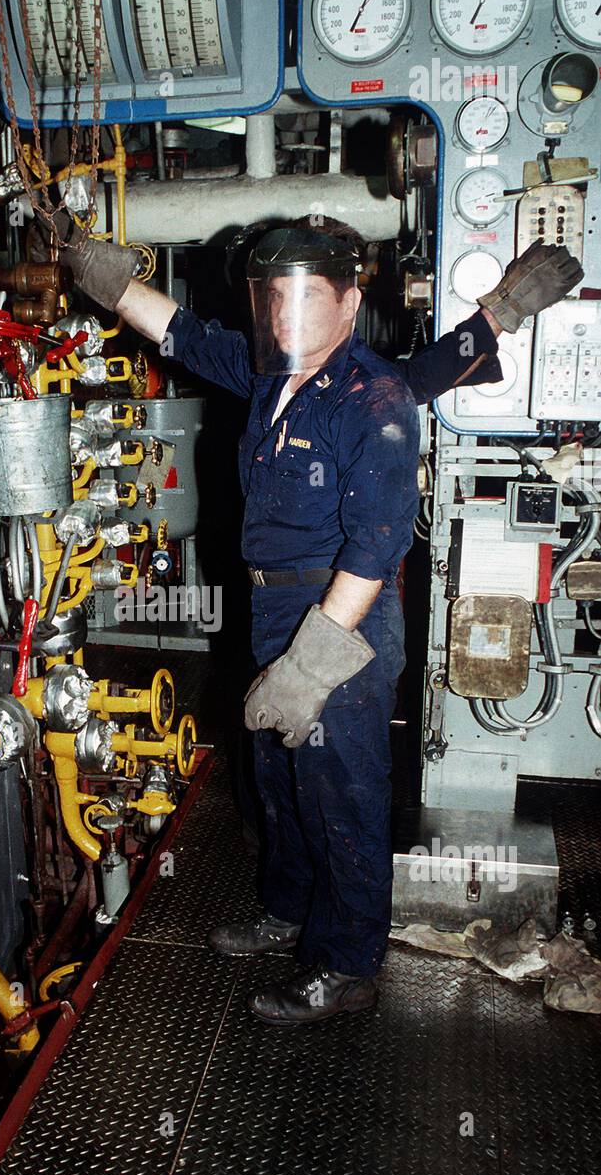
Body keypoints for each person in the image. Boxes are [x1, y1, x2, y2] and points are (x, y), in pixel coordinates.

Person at [36, 208, 582, 1024]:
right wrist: (91, 265)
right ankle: (286, 908)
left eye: (308, 299)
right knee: (276, 776)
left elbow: (374, 549)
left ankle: (346, 961)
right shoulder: (269, 375)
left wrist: (311, 663)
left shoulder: (374, 400)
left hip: (341, 617)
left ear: (349, 305)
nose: (286, 316)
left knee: (340, 792)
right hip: (271, 602)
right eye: (273, 300)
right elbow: (176, 330)